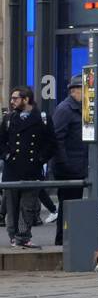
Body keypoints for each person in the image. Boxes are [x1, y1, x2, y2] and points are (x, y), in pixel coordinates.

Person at [1, 86, 55, 249]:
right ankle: (13, 236)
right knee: (12, 206)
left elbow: (51, 143)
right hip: (12, 170)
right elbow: (1, 142)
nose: (12, 102)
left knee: (28, 206)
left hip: (32, 168)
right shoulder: (9, 118)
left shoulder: (42, 118)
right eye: (11, 99)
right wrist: (7, 156)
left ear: (26, 99)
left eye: (15, 98)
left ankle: (23, 237)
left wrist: (40, 159)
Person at [49, 77, 87, 248]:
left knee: (73, 206)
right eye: (84, 89)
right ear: (75, 91)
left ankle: (70, 239)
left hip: (77, 165)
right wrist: (66, 164)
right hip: (69, 167)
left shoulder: (80, 108)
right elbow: (57, 139)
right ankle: (63, 240)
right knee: (67, 206)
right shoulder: (65, 109)